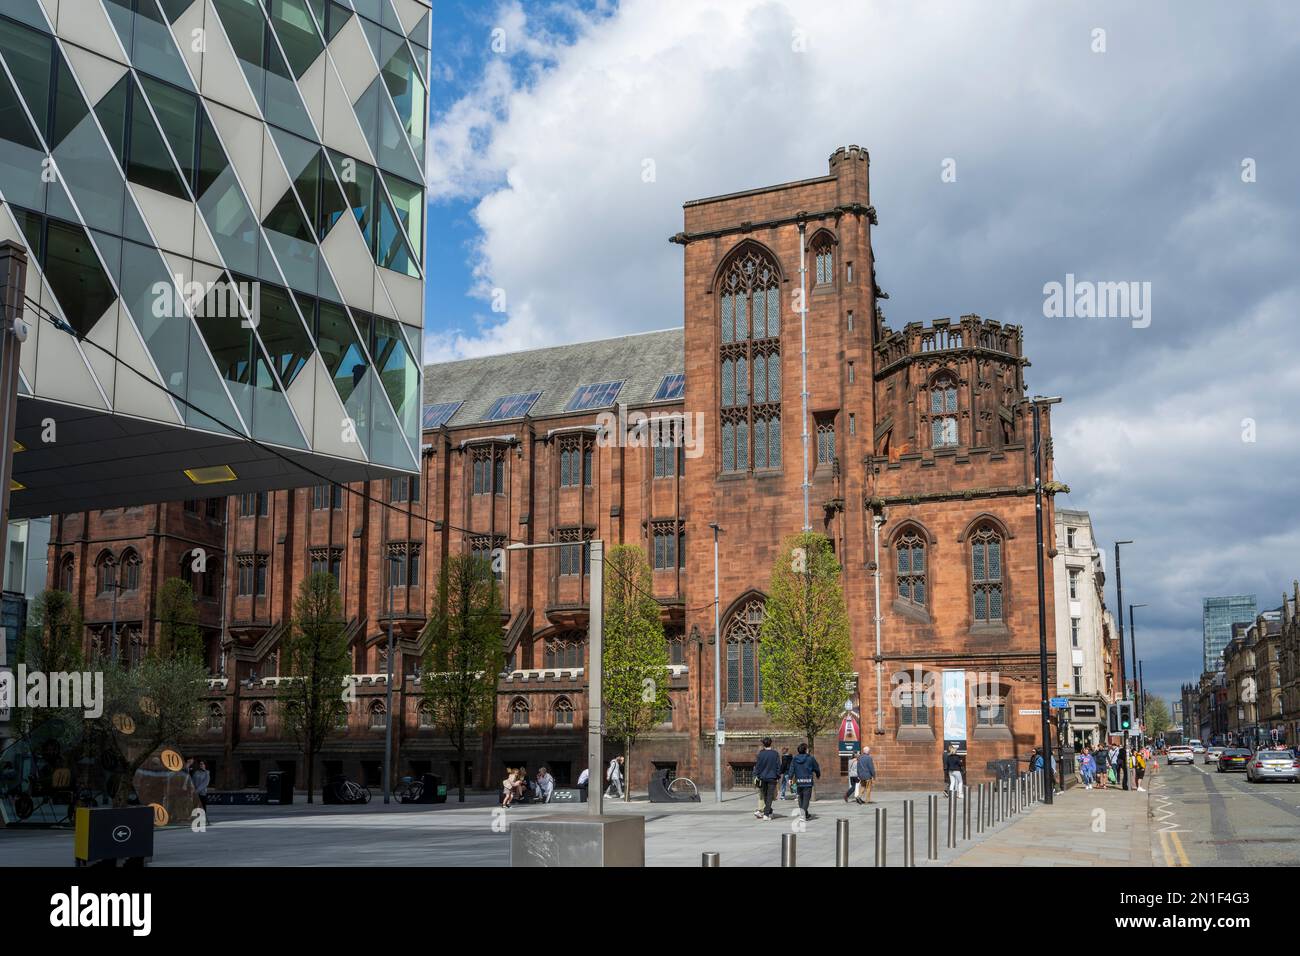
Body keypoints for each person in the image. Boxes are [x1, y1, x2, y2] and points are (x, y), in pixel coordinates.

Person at [789, 743, 820, 821]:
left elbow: (792, 768)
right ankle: (803, 815)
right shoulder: (810, 758)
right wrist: (818, 774)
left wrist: (790, 778)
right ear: (806, 750)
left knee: (800, 798)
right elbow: (816, 767)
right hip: (808, 781)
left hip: (799, 781)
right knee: (806, 799)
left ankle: (805, 814)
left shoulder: (795, 759)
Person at [753, 737, 781, 820]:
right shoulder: (775, 753)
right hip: (772, 777)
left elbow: (758, 766)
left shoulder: (761, 754)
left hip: (763, 777)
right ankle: (766, 813)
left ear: (763, 744)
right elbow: (778, 766)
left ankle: (768, 811)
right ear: (770, 743)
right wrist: (778, 776)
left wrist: (757, 775)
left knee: (765, 795)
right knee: (769, 795)